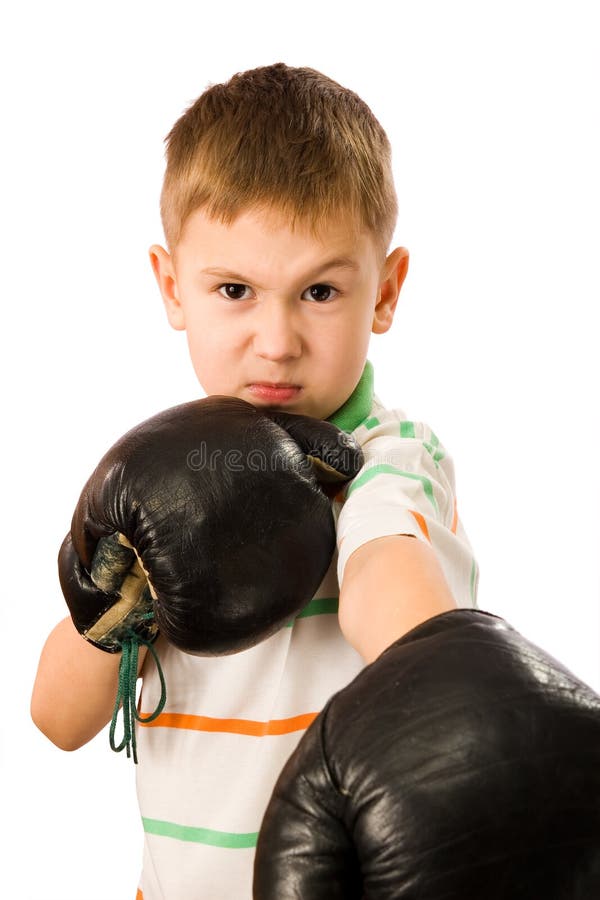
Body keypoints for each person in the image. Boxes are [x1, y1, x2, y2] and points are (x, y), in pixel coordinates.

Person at [30, 62, 477, 898]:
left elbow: (389, 583)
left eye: (319, 291)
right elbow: (57, 721)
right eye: (234, 289)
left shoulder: (392, 457)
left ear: (384, 290)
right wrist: (114, 603)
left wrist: (460, 680)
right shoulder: (157, 476)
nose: (276, 340)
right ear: (172, 287)